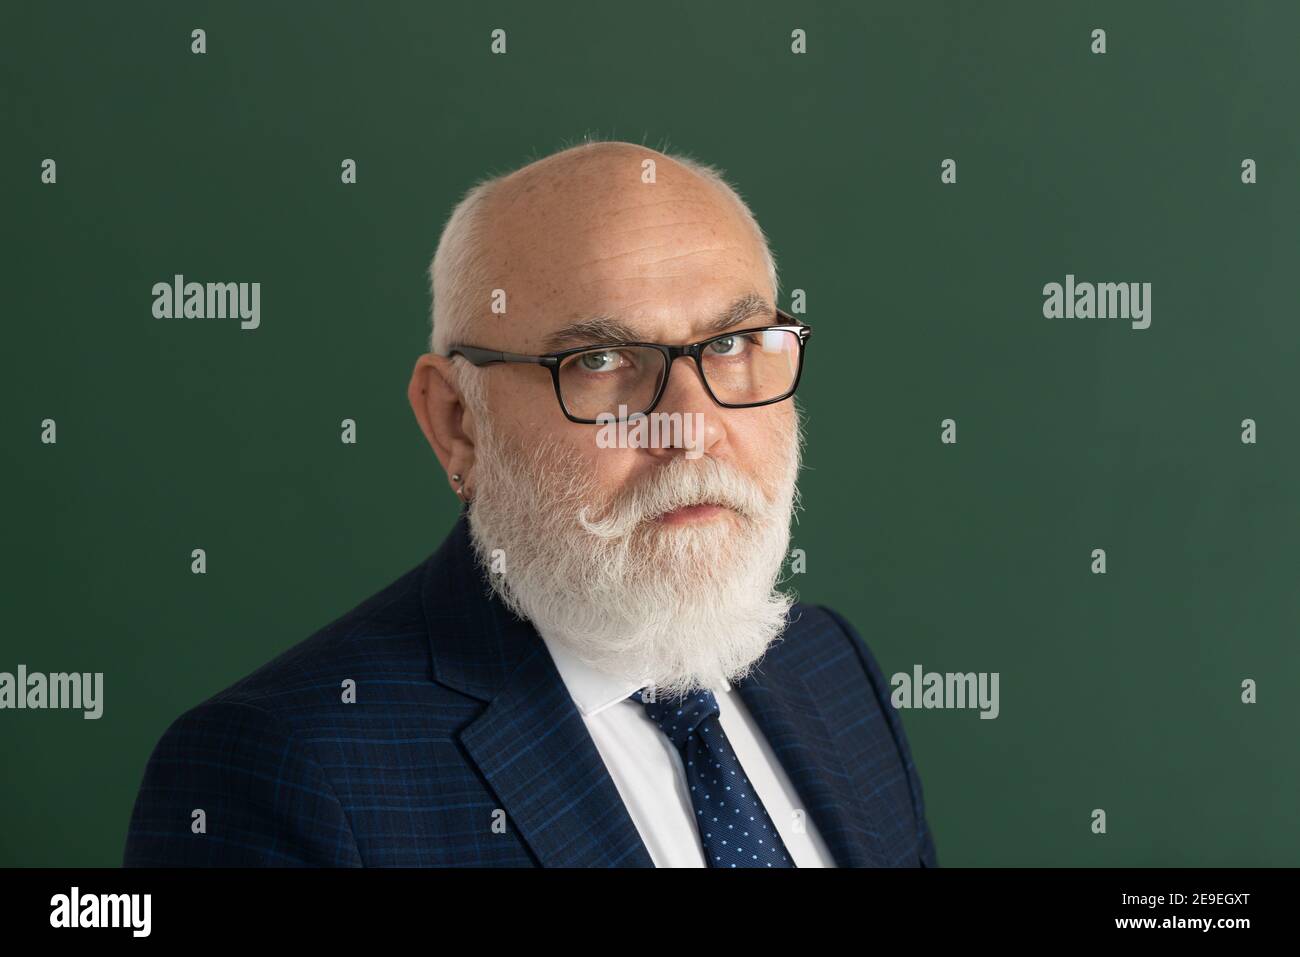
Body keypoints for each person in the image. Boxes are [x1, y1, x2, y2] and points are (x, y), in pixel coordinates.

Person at [123, 140, 937, 867]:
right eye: (602, 359)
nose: (693, 427)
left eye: (729, 345)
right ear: (457, 423)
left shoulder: (828, 668)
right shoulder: (286, 772)